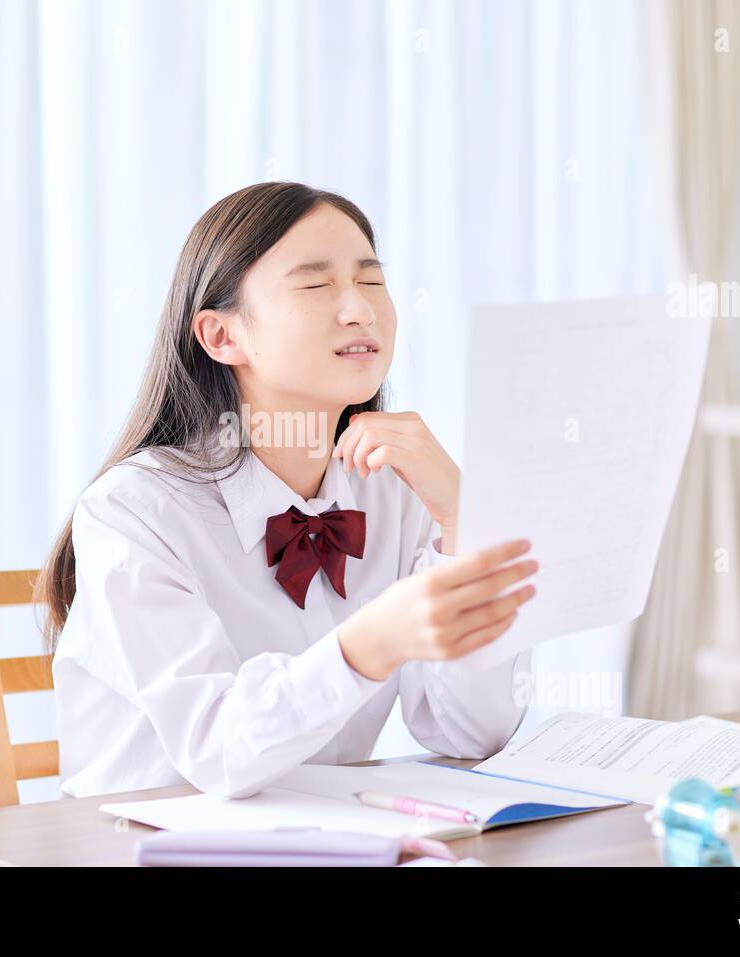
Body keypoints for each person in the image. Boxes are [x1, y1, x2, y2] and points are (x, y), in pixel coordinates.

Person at [40, 181, 537, 799]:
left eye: (372, 281)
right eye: (315, 284)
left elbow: (471, 733)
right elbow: (218, 750)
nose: (360, 309)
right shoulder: (135, 510)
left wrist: (464, 522)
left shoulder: (394, 493)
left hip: (328, 838)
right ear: (223, 337)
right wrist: (367, 645)